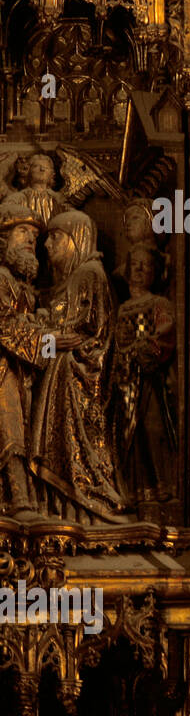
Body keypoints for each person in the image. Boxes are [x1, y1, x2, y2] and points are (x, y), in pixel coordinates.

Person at [28, 210, 129, 523]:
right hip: (69, 372)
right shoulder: (77, 277)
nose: (47, 246)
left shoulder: (88, 274)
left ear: (77, 239)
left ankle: (82, 504)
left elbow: (75, 333)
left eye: (55, 237)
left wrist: (37, 341)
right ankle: (64, 507)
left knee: (79, 447)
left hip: (81, 377)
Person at [107, 242, 178, 507]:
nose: (139, 268)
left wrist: (142, 349)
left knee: (151, 428)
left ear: (155, 272)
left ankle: (163, 484)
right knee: (128, 435)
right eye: (134, 263)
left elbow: (165, 335)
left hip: (148, 380)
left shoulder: (159, 303)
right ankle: (136, 489)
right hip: (125, 382)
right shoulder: (122, 308)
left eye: (146, 264)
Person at [0, 206, 47, 519]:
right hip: (3, 367)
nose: (30, 239)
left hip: (20, 368)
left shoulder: (28, 290)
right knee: (10, 426)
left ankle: (26, 496)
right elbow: (4, 326)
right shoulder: (1, 278)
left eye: (34, 235)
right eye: (22, 232)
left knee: (26, 430)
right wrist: (44, 340)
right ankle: (18, 498)